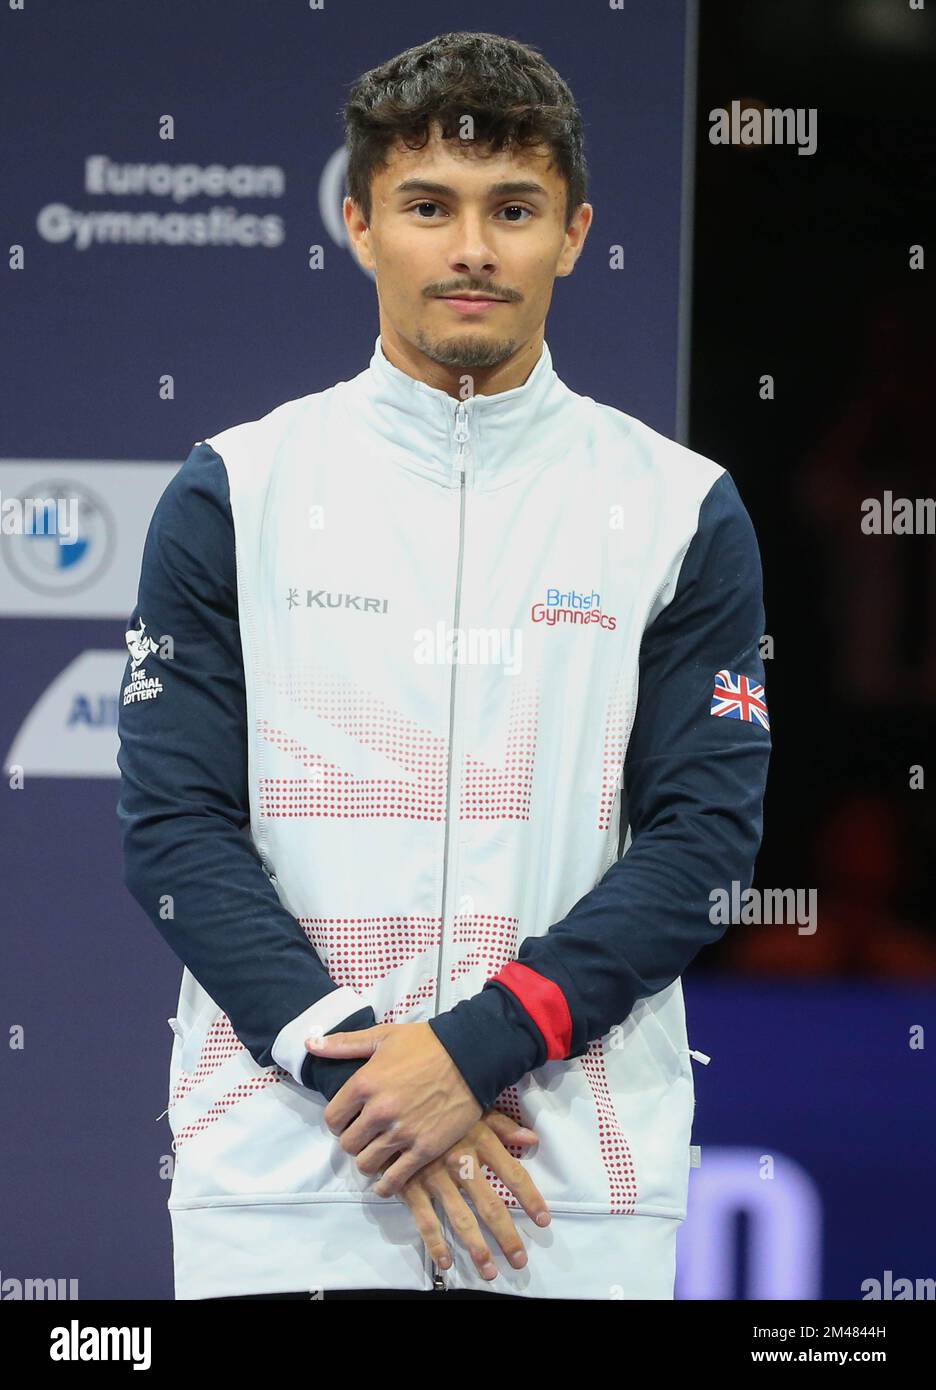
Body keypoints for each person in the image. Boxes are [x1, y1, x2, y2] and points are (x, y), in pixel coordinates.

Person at [116, 29, 771, 1301]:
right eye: (430, 205)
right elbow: (173, 830)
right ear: (359, 223)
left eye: (512, 209)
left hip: (571, 1182)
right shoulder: (239, 489)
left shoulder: (680, 506)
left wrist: (472, 1052)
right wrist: (366, 1070)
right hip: (285, 1173)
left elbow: (703, 845)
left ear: (573, 234)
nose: (472, 247)